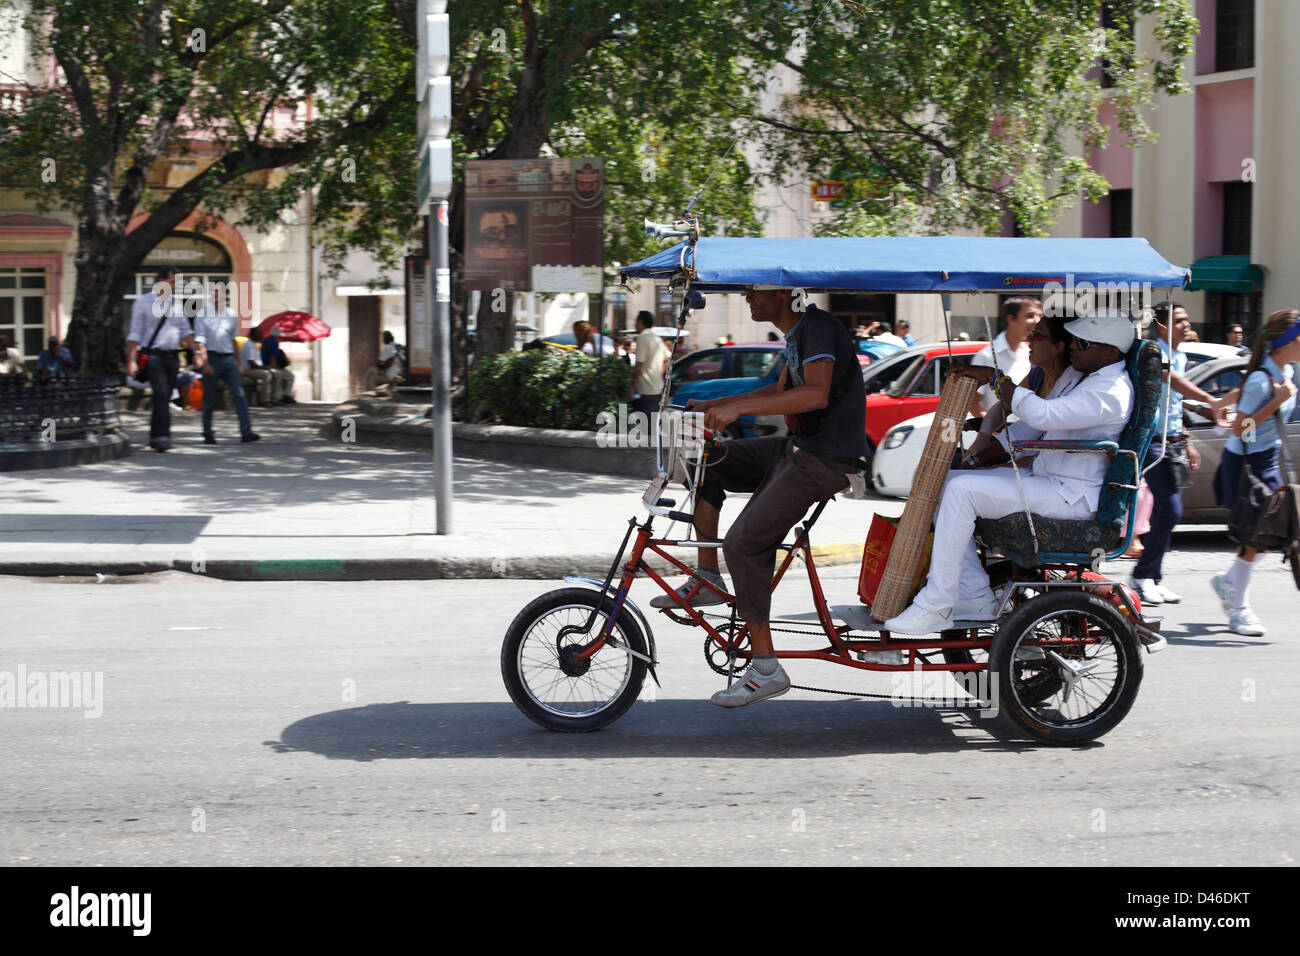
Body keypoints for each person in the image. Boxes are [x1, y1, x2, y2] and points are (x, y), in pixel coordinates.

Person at [650, 287, 867, 708]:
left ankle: (766, 668)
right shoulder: (796, 337)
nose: (749, 296)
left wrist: (735, 412)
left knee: (744, 544)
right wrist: (717, 404)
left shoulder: (818, 328)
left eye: (757, 290)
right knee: (708, 459)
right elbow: (774, 395)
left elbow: (815, 395)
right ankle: (707, 577)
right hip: (798, 448)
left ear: (786, 293)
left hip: (825, 459)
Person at [883, 310, 1136, 634]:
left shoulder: (1110, 391)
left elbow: (1042, 415)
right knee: (949, 482)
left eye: (1082, 342)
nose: (1073, 346)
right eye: (1073, 339)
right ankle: (972, 595)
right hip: (1048, 483)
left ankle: (936, 605)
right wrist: (976, 459)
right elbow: (1030, 429)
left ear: (1111, 352)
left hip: (1071, 497)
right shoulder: (1080, 378)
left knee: (963, 492)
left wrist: (996, 378)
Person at [1129, 301, 1233, 604]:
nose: (1186, 326)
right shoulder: (1153, 352)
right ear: (1161, 326)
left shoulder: (1181, 354)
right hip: (1151, 440)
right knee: (1170, 509)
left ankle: (1151, 577)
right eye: (1179, 321)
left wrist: (1187, 439)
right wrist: (1209, 400)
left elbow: (1175, 401)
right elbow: (1172, 381)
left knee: (1167, 511)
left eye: (1186, 320)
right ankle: (1142, 575)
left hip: (1171, 441)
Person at [1210, 308, 1300, 637]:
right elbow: (1240, 430)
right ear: (1289, 341)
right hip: (1248, 464)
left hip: (1267, 459)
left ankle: (1230, 582)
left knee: (1268, 535)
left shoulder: (1282, 370)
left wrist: (1221, 400)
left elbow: (1247, 391)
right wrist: (1275, 403)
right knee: (1256, 536)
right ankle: (1238, 610)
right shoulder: (1267, 379)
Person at [962, 311, 1073, 467]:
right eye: (1031, 333)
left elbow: (1037, 451)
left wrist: (987, 466)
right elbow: (1005, 406)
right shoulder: (1038, 374)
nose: (1029, 339)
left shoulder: (1072, 385)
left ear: (1058, 346)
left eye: (1038, 335)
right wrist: (982, 439)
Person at [125, 269, 199, 451]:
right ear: (161, 281)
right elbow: (134, 334)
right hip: (153, 356)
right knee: (162, 394)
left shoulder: (177, 304)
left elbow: (186, 331)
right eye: (172, 282)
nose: (175, 286)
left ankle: (155, 436)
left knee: (164, 397)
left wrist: (197, 353)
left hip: (172, 357)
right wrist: (130, 360)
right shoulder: (143, 302)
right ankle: (162, 437)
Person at [194, 284, 259, 444]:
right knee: (209, 398)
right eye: (213, 292)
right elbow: (200, 341)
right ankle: (208, 433)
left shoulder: (231, 314)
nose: (216, 294)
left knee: (239, 395)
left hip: (228, 359)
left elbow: (234, 340)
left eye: (219, 292)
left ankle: (246, 431)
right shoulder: (203, 314)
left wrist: (239, 363)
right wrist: (205, 362)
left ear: (225, 295)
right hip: (212, 359)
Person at [969, 295, 1041, 417]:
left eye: (1040, 316)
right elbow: (972, 403)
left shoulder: (1030, 353)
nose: (1037, 321)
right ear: (1011, 319)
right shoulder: (986, 356)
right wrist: (994, 431)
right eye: (1030, 316)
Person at [631, 311, 668, 416]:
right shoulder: (657, 338)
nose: (634, 324)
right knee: (652, 426)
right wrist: (657, 373)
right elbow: (668, 358)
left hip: (646, 391)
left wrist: (631, 385)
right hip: (657, 390)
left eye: (636, 322)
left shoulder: (642, 337)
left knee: (647, 428)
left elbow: (639, 366)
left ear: (640, 322)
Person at [260, 324, 294, 403]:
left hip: (264, 364)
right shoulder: (274, 342)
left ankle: (280, 396)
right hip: (270, 365)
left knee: (281, 375)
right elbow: (273, 356)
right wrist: (272, 366)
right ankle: (282, 396)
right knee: (288, 376)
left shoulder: (264, 340)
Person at [240, 327, 273, 406]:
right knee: (266, 375)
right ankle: (264, 401)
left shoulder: (254, 344)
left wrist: (265, 367)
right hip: (247, 370)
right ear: (253, 335)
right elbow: (252, 364)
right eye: (259, 334)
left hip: (254, 368)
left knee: (276, 373)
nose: (261, 335)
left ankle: (275, 398)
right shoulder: (248, 345)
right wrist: (264, 368)